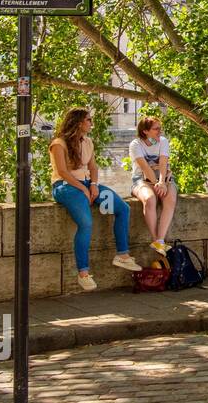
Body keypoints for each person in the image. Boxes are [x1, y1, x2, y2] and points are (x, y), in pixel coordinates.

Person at [49, 107, 143, 291]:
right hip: (65, 187)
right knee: (86, 223)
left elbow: (93, 167)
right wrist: (82, 188)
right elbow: (62, 172)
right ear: (78, 122)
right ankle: (83, 273)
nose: (91, 123)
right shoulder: (58, 144)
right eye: (88, 120)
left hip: (86, 184)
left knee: (122, 208)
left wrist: (93, 185)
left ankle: (122, 255)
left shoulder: (88, 142)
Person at [129, 115, 177, 256]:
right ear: (145, 131)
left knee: (170, 199)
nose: (159, 131)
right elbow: (145, 168)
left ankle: (160, 241)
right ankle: (156, 239)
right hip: (142, 180)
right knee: (150, 199)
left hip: (163, 178)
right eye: (156, 129)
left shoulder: (163, 141)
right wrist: (157, 184)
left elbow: (163, 163)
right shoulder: (136, 144)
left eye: (160, 128)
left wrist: (161, 182)